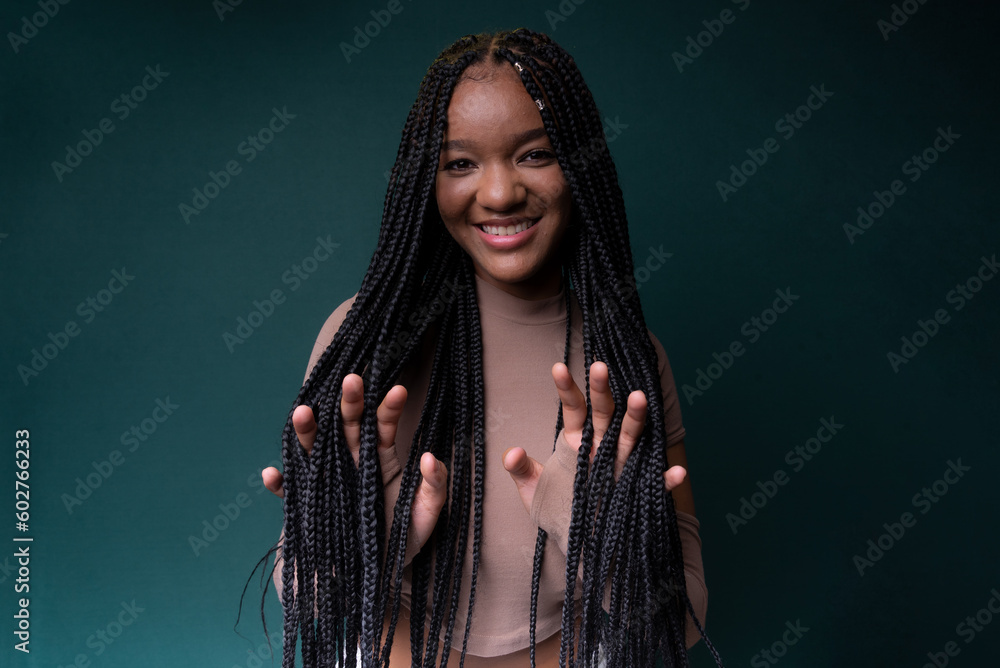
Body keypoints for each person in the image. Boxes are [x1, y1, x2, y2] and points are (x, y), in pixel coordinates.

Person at [259, 29, 723, 668]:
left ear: (580, 166)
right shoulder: (361, 342)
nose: (500, 193)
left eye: (536, 154)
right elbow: (302, 600)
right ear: (426, 181)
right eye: (459, 163)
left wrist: (595, 540)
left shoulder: (631, 362)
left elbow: (684, 620)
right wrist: (359, 546)